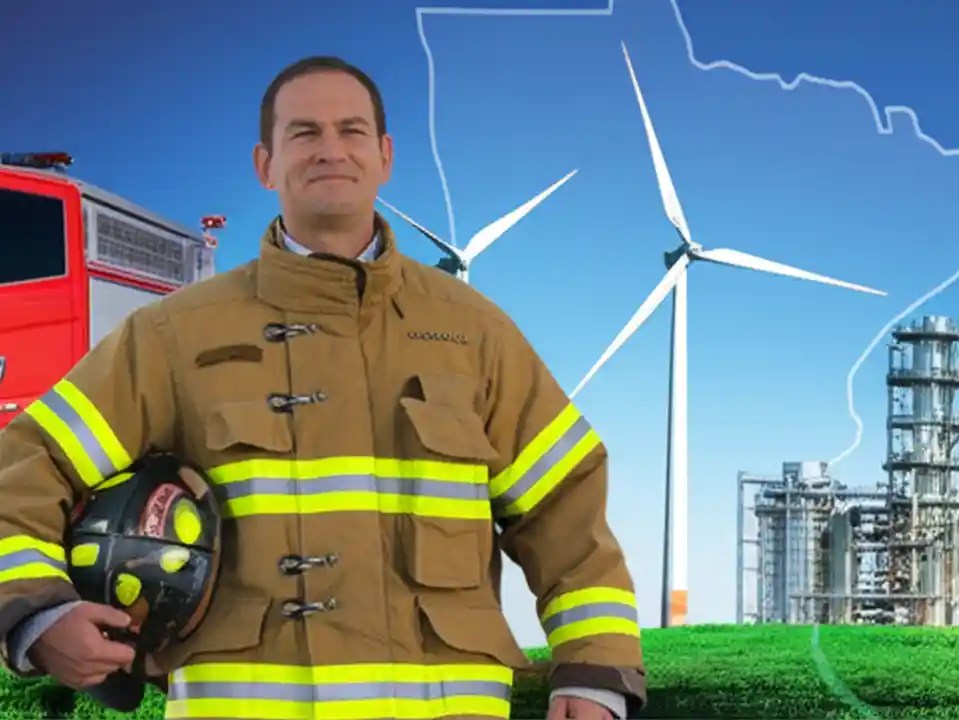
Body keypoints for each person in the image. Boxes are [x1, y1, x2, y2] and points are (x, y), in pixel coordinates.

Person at [0, 55, 645, 720]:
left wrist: (595, 669)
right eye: (304, 133)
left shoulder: (475, 333)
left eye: (352, 130)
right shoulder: (172, 336)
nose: (330, 150)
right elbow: (24, 468)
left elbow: (565, 506)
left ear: (385, 155)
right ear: (265, 164)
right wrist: (37, 614)